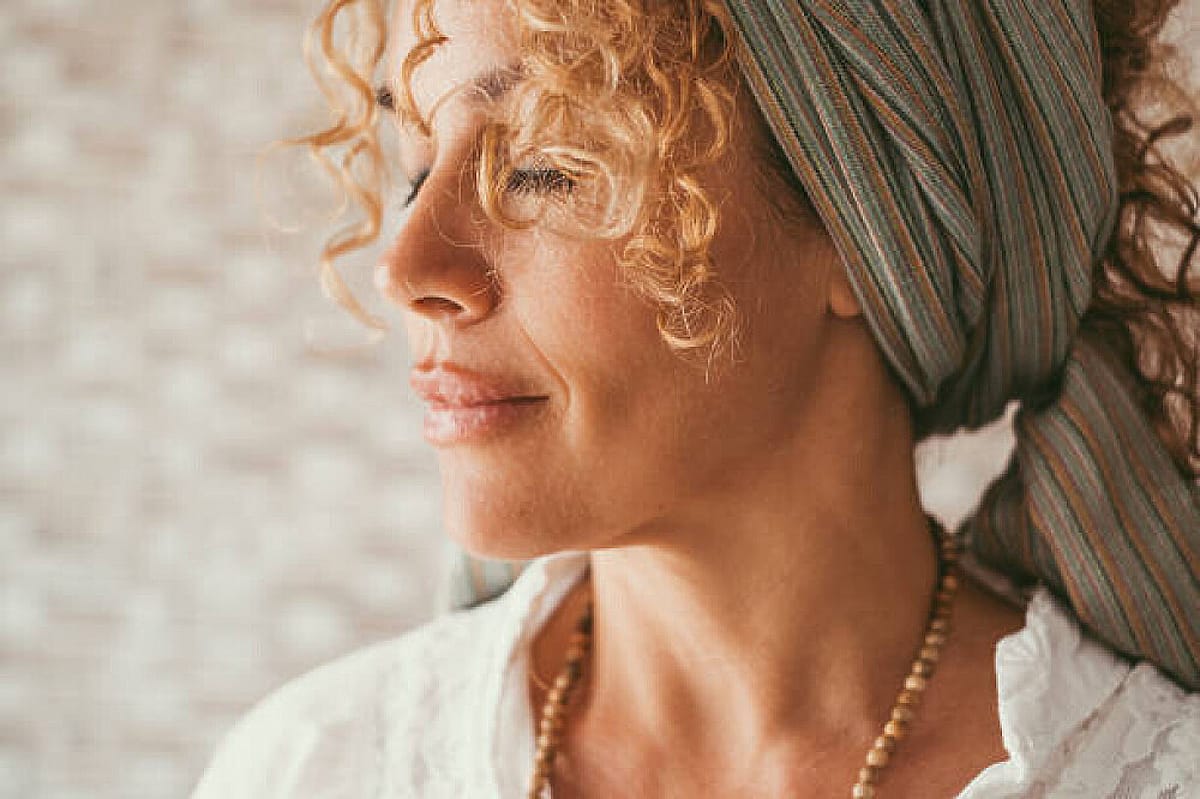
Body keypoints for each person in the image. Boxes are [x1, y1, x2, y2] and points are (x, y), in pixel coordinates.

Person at [193, 0, 1200, 796]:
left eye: (546, 165)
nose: (406, 266)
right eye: (417, 172)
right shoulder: (312, 768)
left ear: (862, 233)